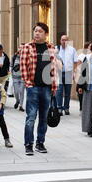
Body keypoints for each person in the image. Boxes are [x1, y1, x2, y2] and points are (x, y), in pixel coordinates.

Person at [21, 22, 59, 156]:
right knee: (31, 117)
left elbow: (53, 68)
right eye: (35, 31)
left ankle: (40, 142)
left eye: (40, 31)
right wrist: (28, 83)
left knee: (43, 118)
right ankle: (28, 144)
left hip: (47, 88)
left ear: (46, 34)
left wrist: (54, 86)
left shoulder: (50, 48)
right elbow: (23, 67)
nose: (37, 33)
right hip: (33, 87)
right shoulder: (27, 47)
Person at [56, 35, 78, 116]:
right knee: (59, 91)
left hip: (69, 73)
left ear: (68, 41)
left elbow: (75, 62)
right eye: (62, 40)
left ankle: (66, 108)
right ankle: (59, 108)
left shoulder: (72, 50)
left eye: (65, 40)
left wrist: (74, 72)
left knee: (67, 92)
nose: (64, 41)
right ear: (60, 40)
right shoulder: (56, 49)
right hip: (59, 73)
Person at [76, 42, 91, 113]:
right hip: (82, 75)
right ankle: (81, 107)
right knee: (81, 92)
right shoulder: (82, 56)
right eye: (90, 46)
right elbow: (79, 67)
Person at [12, 44, 26, 112]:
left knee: (21, 91)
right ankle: (17, 100)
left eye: (23, 48)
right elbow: (11, 66)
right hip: (15, 77)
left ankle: (21, 105)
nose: (21, 49)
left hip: (23, 77)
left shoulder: (26, 56)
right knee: (16, 92)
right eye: (20, 47)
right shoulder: (14, 56)